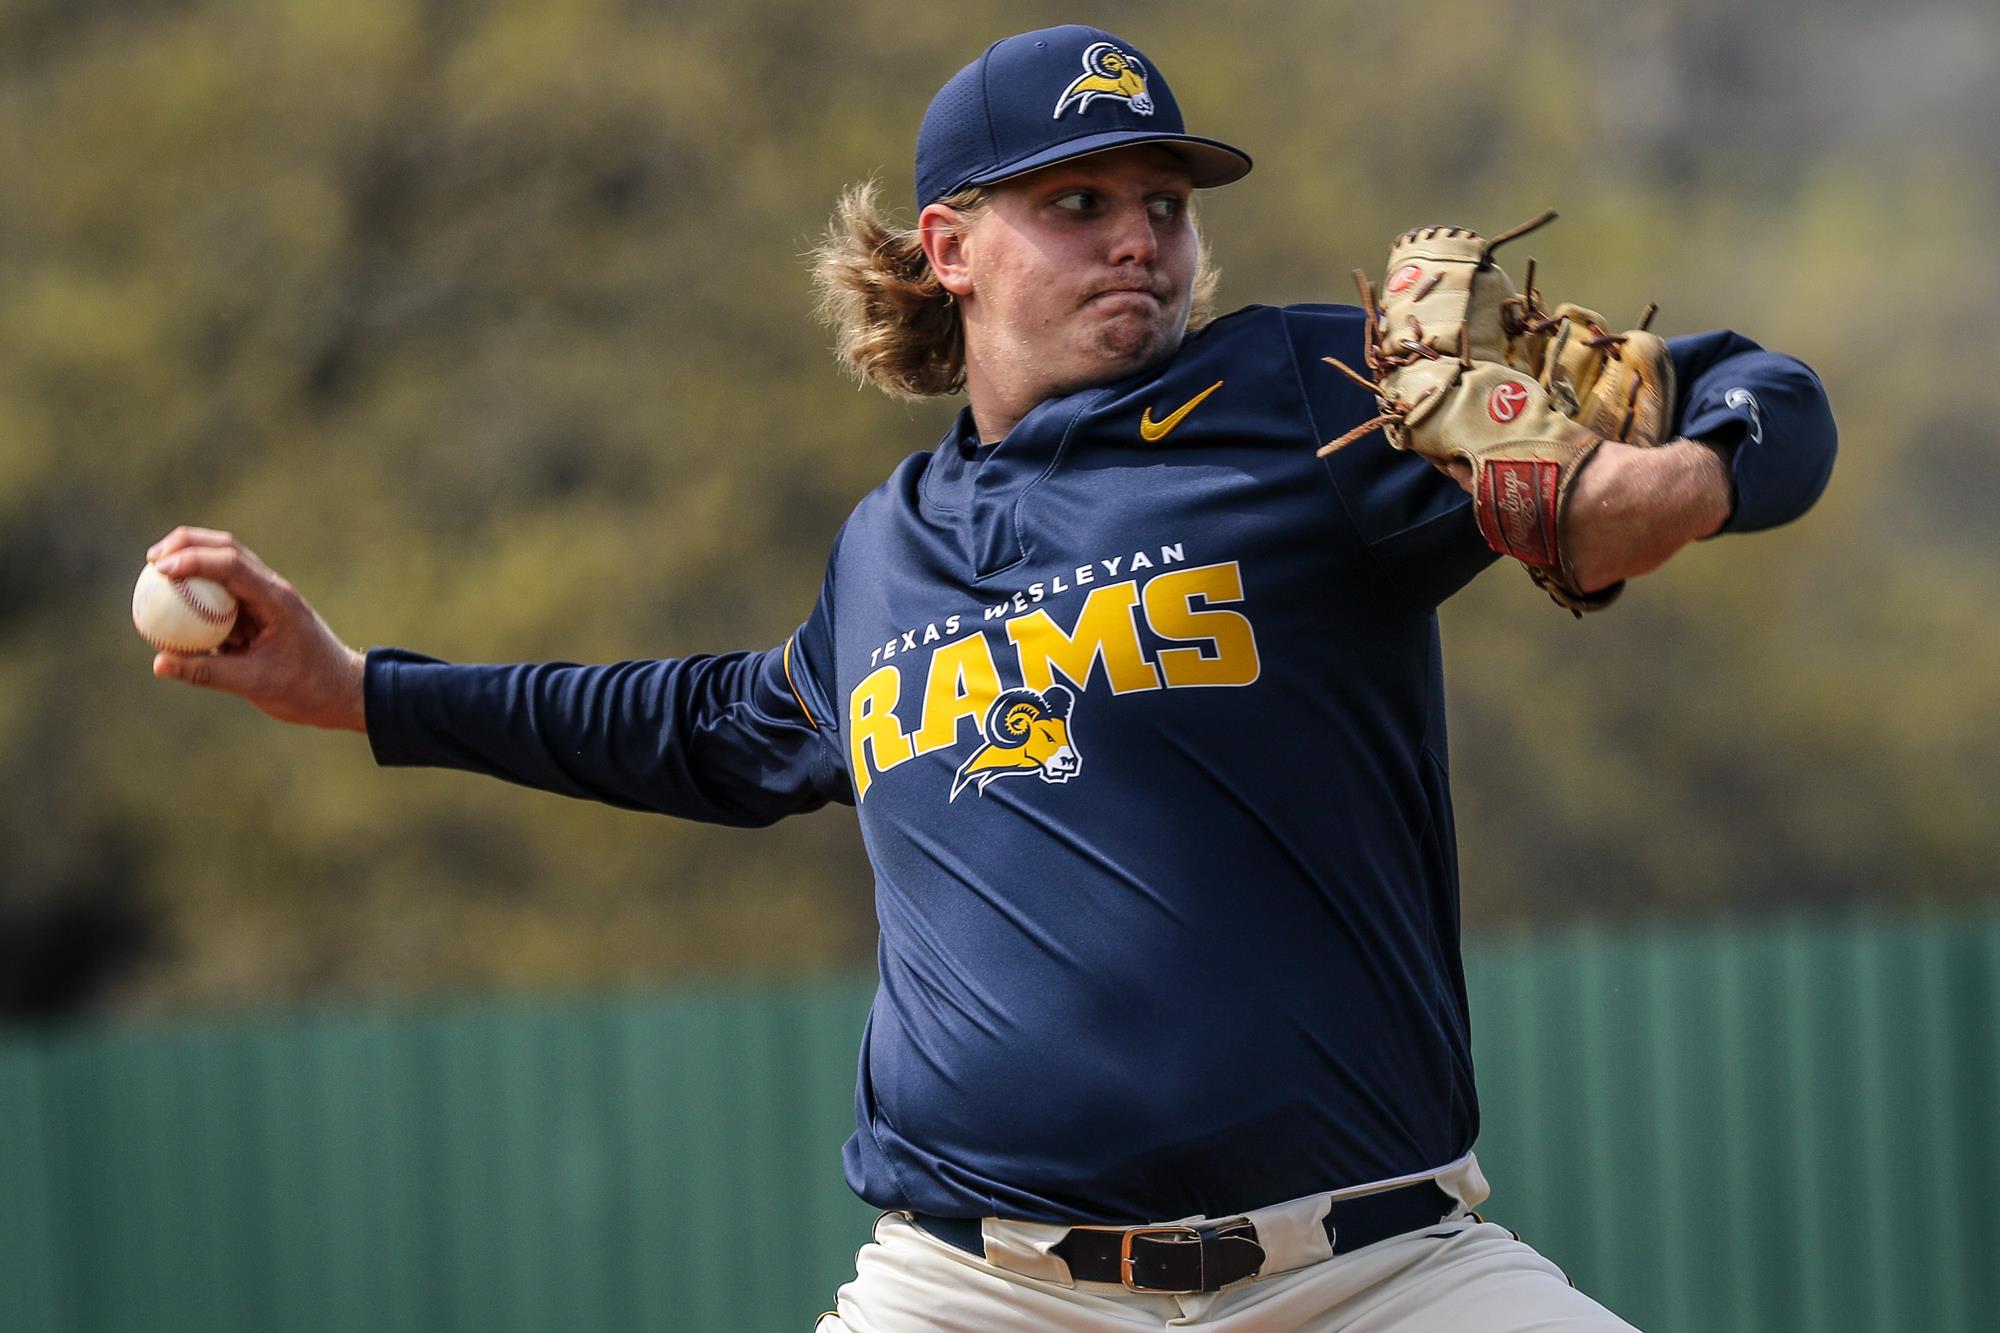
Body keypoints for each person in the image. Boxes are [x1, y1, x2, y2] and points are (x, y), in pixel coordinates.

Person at [147, 24, 1836, 1331]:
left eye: (1164, 206)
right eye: (1080, 202)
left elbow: (1762, 390)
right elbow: (709, 728)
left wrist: (1687, 479)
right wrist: (361, 687)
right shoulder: (889, 548)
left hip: (1372, 1274)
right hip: (984, 1285)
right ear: (949, 246)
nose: (1141, 243)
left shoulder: (1311, 391)